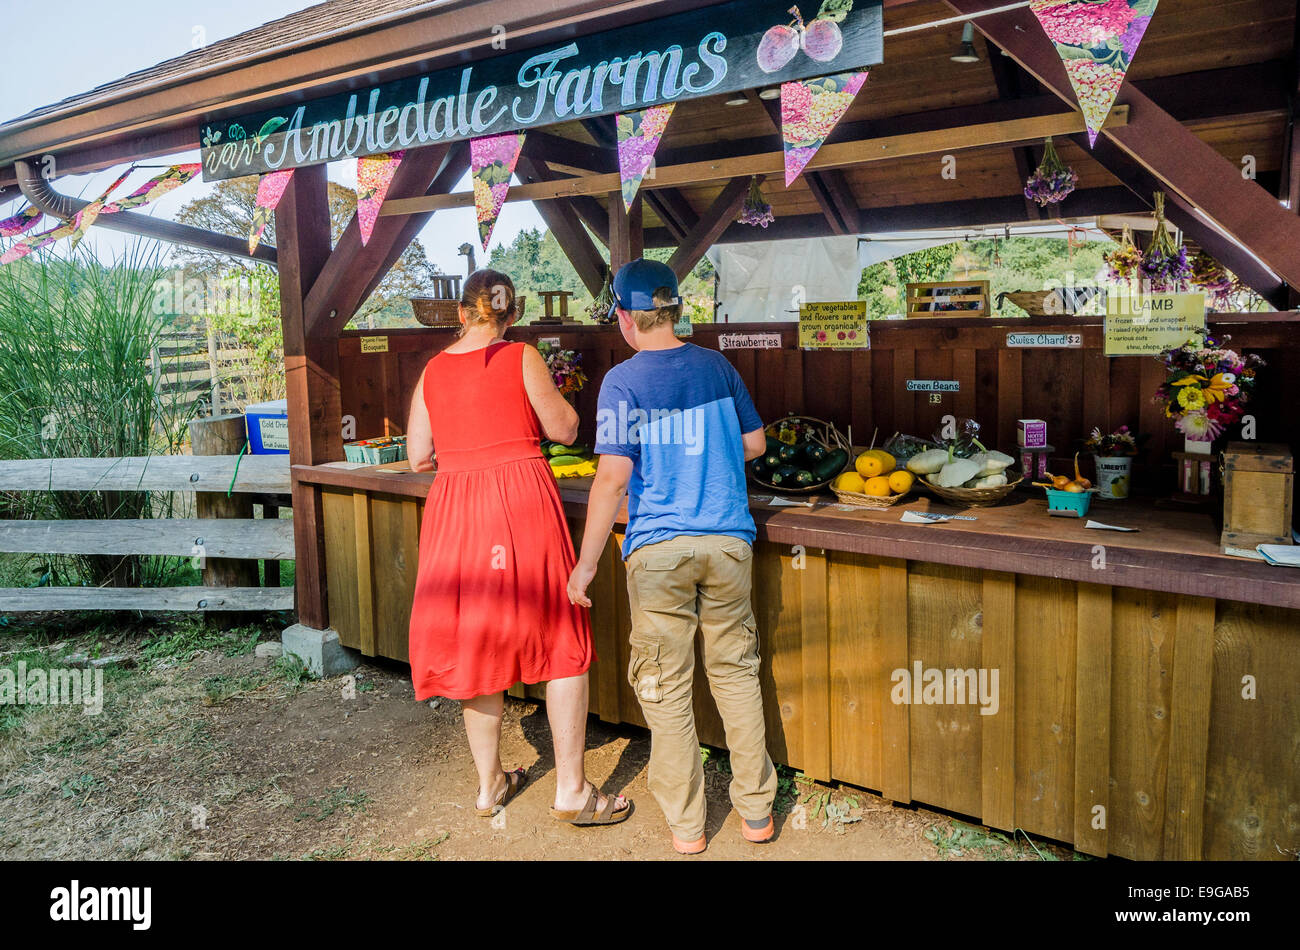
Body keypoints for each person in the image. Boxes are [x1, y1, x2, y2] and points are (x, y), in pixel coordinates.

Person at [406, 268, 630, 827]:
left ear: (461, 313)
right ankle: (573, 790)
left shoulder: (432, 370)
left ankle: (489, 786)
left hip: (457, 507)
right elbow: (566, 429)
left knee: (474, 639)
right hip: (522, 499)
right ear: (511, 314)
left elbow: (416, 455)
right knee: (557, 634)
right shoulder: (521, 356)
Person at [567, 258, 777, 853]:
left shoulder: (623, 381)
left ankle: (688, 828)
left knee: (666, 687)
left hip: (659, 551)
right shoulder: (718, 366)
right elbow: (755, 444)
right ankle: (757, 813)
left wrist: (584, 566)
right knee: (736, 675)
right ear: (675, 309)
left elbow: (611, 481)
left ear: (629, 318)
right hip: (727, 543)